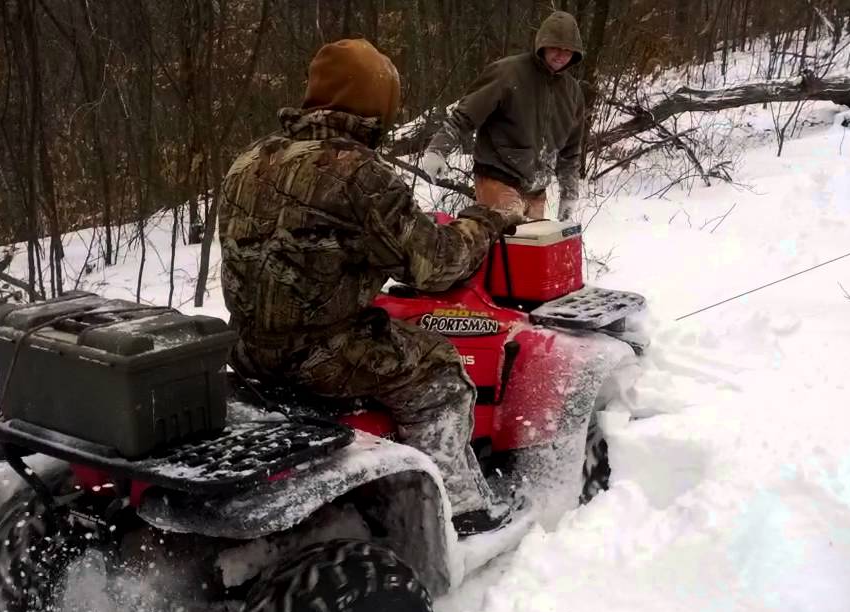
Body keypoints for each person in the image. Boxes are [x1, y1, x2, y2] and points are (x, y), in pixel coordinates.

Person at [218, 39, 522, 535]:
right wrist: (487, 219)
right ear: (374, 103)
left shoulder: (249, 159)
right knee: (440, 369)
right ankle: (461, 507)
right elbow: (436, 267)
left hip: (249, 351)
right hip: (324, 357)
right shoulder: (360, 174)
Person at [420, 10, 586, 221]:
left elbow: (570, 153)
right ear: (542, 44)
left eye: (568, 50)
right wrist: (438, 149)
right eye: (555, 47)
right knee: (506, 243)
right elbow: (466, 115)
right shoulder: (508, 73)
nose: (561, 54)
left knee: (530, 249)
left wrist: (569, 195)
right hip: (498, 177)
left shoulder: (573, 93)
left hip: (536, 188)